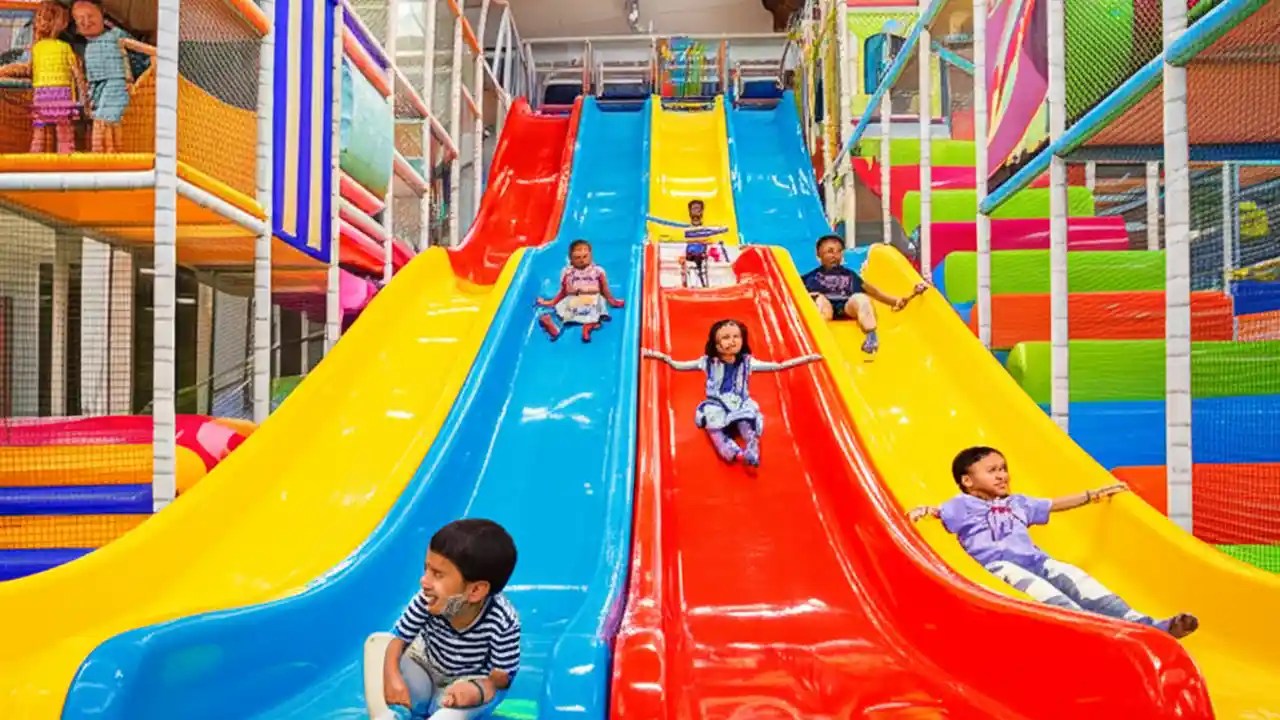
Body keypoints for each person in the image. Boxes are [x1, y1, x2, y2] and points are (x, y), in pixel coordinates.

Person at [908, 446, 1199, 639]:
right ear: (967, 481)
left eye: (1003, 468)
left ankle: (1151, 627)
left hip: (1037, 560)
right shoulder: (960, 505)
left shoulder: (1018, 502)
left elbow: (1055, 504)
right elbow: (937, 515)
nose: (1002, 475)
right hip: (996, 568)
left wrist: (1092, 494)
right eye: (992, 470)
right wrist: (925, 511)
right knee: (1049, 596)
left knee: (1081, 582)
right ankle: (1097, 635)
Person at [379, 519, 521, 720]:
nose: (424, 581)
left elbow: (500, 679)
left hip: (469, 678)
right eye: (426, 569)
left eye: (437, 574)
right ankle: (404, 712)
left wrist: (477, 691)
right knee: (378, 649)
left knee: (447, 714)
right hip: (426, 664)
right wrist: (392, 678)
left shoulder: (502, 621)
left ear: (475, 591)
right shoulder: (428, 599)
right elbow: (398, 638)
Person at [642, 318, 820, 467]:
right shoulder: (708, 362)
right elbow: (677, 365)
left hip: (739, 402)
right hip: (716, 404)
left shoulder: (747, 362)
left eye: (736, 337)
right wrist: (659, 357)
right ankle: (732, 451)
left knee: (745, 422)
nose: (732, 341)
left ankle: (751, 445)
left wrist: (807, 359)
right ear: (716, 344)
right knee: (714, 427)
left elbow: (778, 367)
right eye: (726, 338)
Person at [801, 234, 911, 355]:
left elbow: (873, 292)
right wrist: (812, 295)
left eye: (838, 252)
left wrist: (894, 301)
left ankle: (871, 336)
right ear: (819, 255)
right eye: (830, 251)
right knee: (821, 302)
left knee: (861, 299)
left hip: (846, 306)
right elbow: (793, 291)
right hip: (826, 307)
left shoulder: (850, 275)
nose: (834, 256)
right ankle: (818, 339)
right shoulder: (810, 277)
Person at [72, 0, 152, 153]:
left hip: (117, 87)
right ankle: (106, 157)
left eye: (90, 16)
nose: (86, 22)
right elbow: (92, 79)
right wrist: (89, 98)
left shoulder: (116, 35)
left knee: (105, 125)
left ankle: (109, 156)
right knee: (101, 126)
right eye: (80, 19)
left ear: (101, 14)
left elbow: (142, 56)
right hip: (98, 93)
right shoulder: (86, 47)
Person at [536, 239, 625, 343]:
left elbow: (605, 289)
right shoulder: (568, 272)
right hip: (576, 301)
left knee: (599, 303)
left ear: (591, 256)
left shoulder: (598, 271)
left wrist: (613, 301)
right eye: (577, 258)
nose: (582, 260)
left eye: (585, 256)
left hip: (592, 300)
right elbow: (564, 291)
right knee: (564, 311)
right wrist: (551, 302)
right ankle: (555, 327)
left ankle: (587, 327)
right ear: (570, 259)